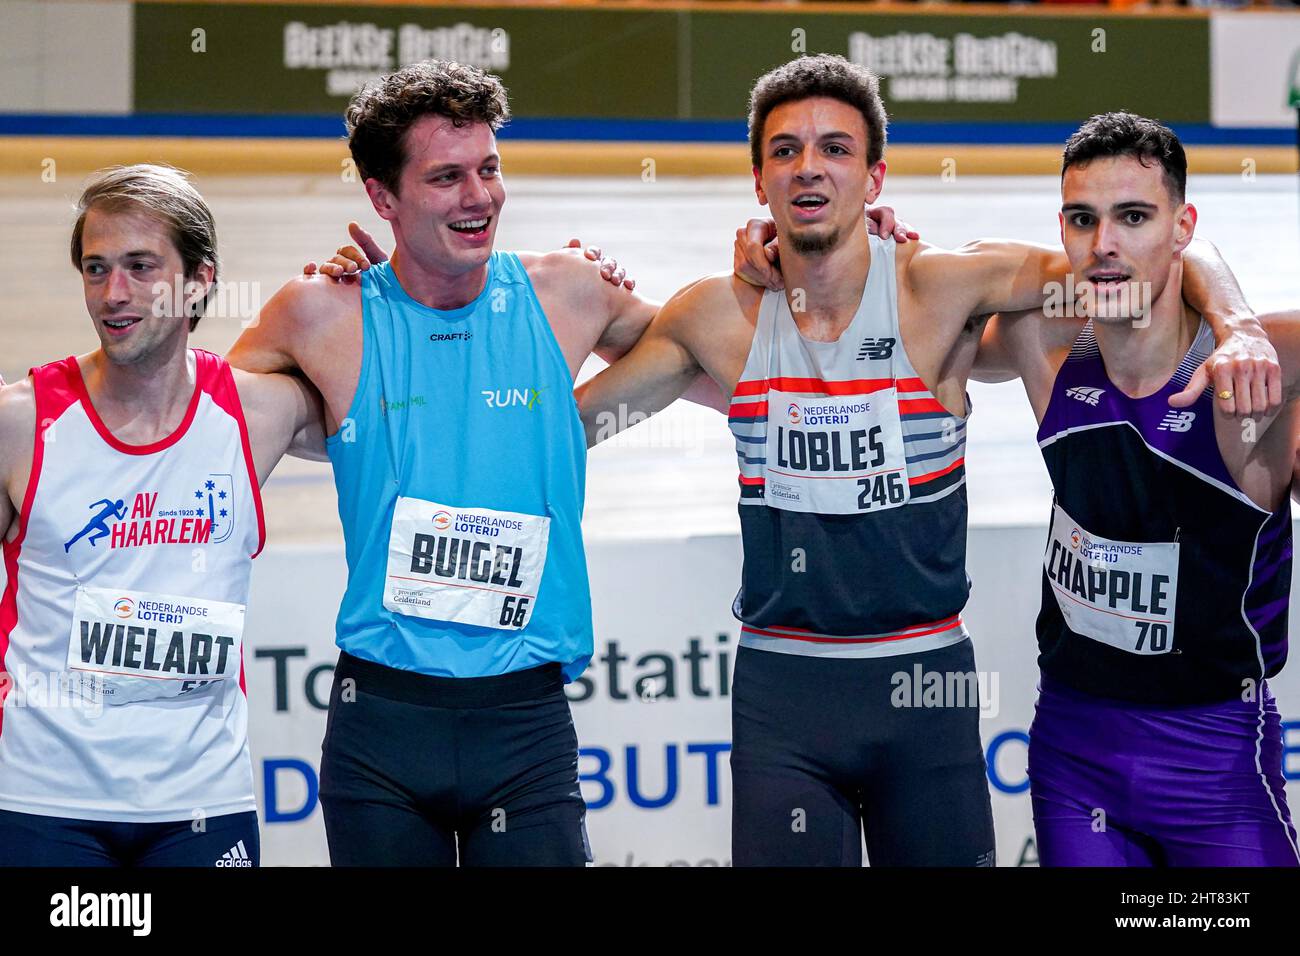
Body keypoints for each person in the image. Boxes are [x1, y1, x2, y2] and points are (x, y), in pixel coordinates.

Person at [574, 56, 1278, 866]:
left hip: (928, 689)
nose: (809, 165)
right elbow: (571, 427)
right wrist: (565, 299)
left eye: (835, 149)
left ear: (874, 176)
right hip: (782, 697)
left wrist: (1238, 325)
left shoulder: (943, 289)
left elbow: (1134, 260)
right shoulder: (715, 313)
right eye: (786, 151)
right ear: (758, 179)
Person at [227, 59, 725, 867]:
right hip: (379, 726)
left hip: (526, 729)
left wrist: (816, 262)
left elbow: (726, 369)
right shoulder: (320, 310)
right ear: (381, 199)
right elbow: (201, 437)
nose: (480, 197)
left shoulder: (570, 290)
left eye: (490, 169)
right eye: (447, 177)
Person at [976, 112, 1300, 865]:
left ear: (1183, 227)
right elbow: (914, 303)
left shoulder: (1260, 364)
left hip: (1216, 757)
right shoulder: (1041, 342)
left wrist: (1238, 318)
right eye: (1083, 220)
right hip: (1073, 748)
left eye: (1133, 216)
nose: (1104, 244)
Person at [0, 164, 325, 866]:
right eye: (96, 269)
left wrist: (363, 293)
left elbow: (400, 413)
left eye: (140, 268)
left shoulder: (258, 411)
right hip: (42, 803)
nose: (113, 295)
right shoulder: (20, 423)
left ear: (200, 278)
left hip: (204, 805)